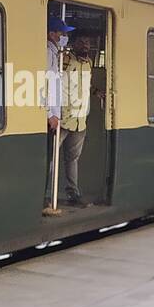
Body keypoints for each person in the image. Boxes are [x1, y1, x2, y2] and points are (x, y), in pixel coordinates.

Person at [57, 34, 96, 207]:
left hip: (80, 120)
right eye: (81, 42)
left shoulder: (89, 64)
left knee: (72, 159)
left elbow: (86, 86)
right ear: (74, 44)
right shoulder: (64, 60)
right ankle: (43, 195)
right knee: (51, 158)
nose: (85, 45)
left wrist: (96, 93)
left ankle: (73, 193)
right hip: (62, 118)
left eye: (87, 42)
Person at [43, 12, 74, 215]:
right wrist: (50, 114)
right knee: (47, 159)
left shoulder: (55, 52)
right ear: (51, 33)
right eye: (61, 33)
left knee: (49, 158)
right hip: (49, 116)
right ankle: (44, 199)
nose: (64, 36)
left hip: (54, 114)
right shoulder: (47, 52)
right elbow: (43, 85)